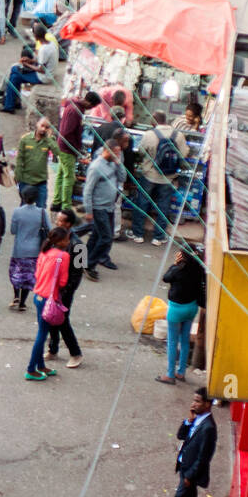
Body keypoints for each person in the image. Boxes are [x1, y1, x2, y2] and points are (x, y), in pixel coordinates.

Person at [140, 388, 218, 497]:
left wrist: (190, 476)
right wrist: (188, 421)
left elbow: (204, 458)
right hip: (184, 470)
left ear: (208, 404)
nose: (193, 404)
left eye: (197, 401)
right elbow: (181, 435)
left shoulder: (208, 428)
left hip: (189, 475)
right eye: (193, 400)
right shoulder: (197, 420)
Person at [128, 110, 188, 245]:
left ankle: (138, 234)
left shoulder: (149, 134)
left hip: (149, 175)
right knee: (163, 205)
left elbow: (142, 152)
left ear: (153, 121)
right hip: (169, 177)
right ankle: (158, 237)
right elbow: (183, 154)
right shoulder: (178, 135)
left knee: (142, 203)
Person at [156, 245, 206, 385]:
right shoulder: (200, 270)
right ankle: (181, 372)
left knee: (172, 342)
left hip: (176, 310)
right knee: (184, 341)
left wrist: (174, 264)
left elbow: (166, 278)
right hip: (191, 308)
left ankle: (170, 375)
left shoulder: (178, 270)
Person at [26, 227, 70, 381]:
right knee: (42, 335)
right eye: (66, 239)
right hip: (49, 300)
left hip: (38, 296)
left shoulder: (44, 253)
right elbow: (63, 281)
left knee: (42, 332)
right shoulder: (63, 256)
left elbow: (37, 274)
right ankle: (31, 369)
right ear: (61, 241)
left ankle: (40, 365)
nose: (69, 241)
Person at [82, 139, 125, 280]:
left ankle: (83, 260)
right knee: (106, 238)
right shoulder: (96, 167)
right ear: (107, 150)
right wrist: (88, 211)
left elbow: (122, 177)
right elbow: (87, 191)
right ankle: (89, 265)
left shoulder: (113, 163)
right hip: (98, 208)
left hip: (109, 207)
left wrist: (119, 164)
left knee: (96, 235)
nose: (117, 156)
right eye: (116, 153)